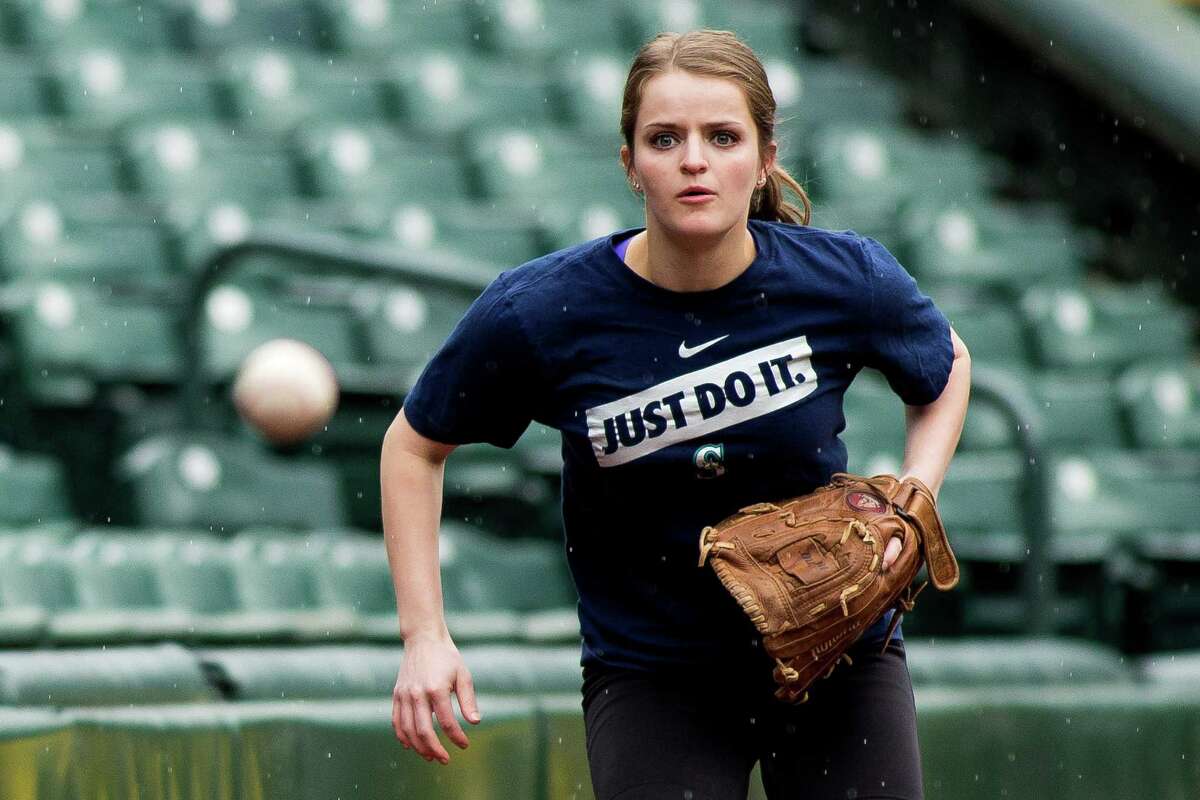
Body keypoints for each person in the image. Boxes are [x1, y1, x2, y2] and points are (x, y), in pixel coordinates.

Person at [380, 29, 971, 800]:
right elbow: (413, 447)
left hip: (838, 658)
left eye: (723, 137)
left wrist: (913, 501)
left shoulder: (844, 279)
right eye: (665, 139)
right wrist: (425, 638)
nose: (694, 159)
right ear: (629, 164)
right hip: (655, 675)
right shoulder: (543, 312)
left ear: (762, 159)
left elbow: (946, 365)